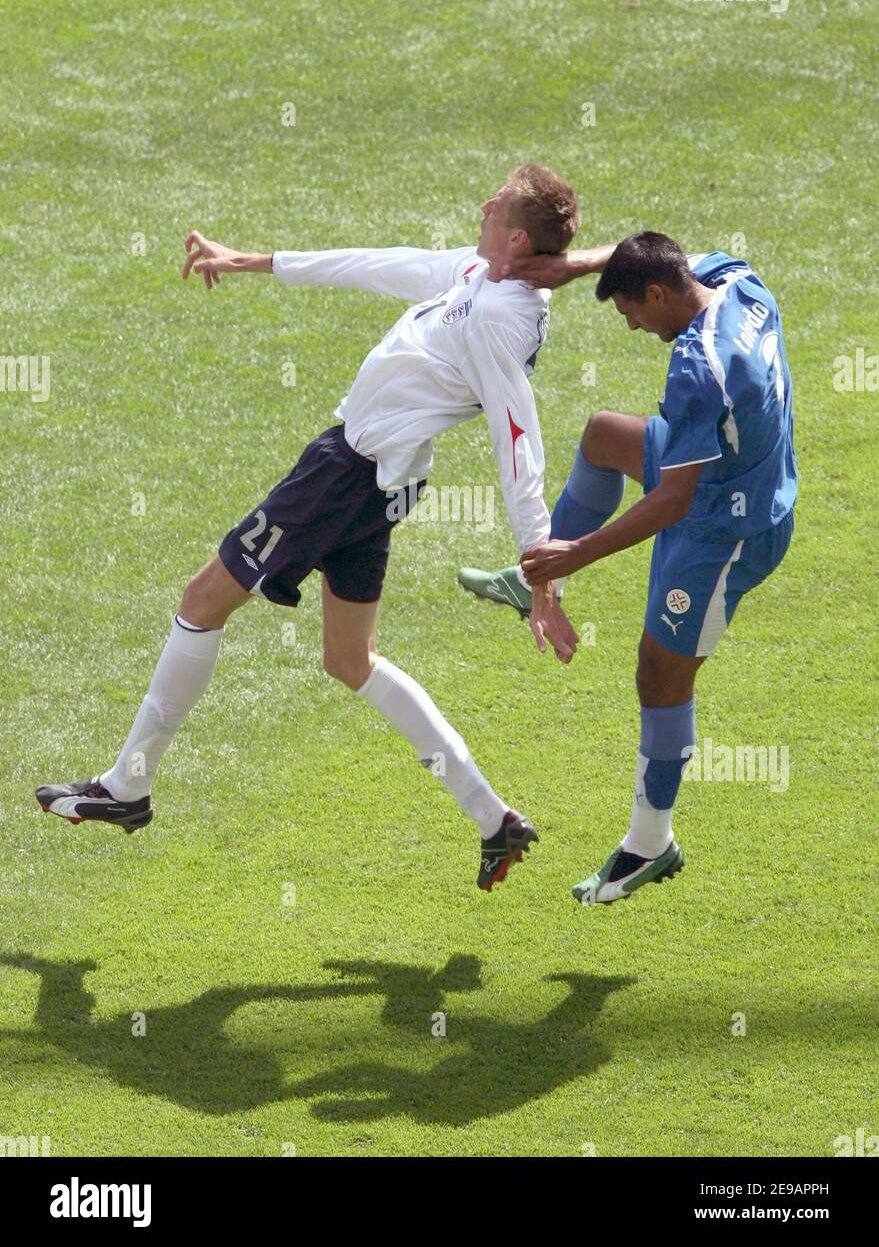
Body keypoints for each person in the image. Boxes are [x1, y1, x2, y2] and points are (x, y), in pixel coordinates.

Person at [37, 165, 580, 892]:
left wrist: (538, 569)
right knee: (350, 661)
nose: (481, 203)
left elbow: (518, 441)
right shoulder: (480, 273)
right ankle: (492, 819)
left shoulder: (496, 318)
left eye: (498, 203)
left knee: (202, 602)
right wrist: (256, 262)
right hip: (379, 479)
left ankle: (127, 786)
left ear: (517, 234)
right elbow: (377, 265)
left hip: (343, 477)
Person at [459, 233, 797, 903]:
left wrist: (575, 552)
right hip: (731, 470)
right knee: (603, 436)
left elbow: (670, 501)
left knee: (658, 675)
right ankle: (537, 585)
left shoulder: (700, 368)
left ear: (656, 292)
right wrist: (575, 267)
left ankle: (650, 843)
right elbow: (656, 243)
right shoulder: (735, 280)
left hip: (728, 529)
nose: (633, 325)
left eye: (631, 313)